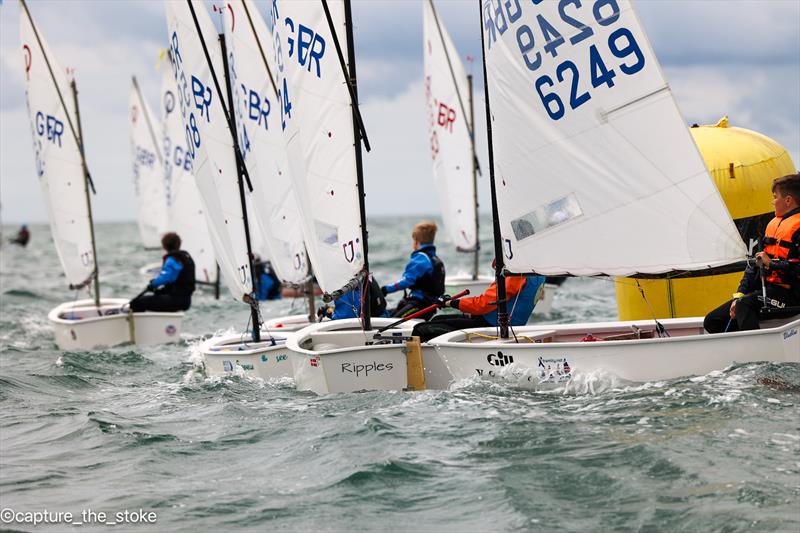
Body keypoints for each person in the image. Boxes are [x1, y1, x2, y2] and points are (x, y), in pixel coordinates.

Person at [704, 173, 800, 333]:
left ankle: (757, 356)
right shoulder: (772, 226)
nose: (773, 201)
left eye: (775, 197)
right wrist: (740, 293)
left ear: (788, 200)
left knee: (745, 304)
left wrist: (772, 263)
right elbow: (754, 266)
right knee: (713, 320)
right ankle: (738, 351)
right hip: (767, 291)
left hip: (792, 296)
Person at [411, 261, 546, 342]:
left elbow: (483, 304)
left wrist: (450, 303)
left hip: (494, 329)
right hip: (501, 325)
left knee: (421, 330)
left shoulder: (515, 275)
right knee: (437, 320)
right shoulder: (539, 274)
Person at [382, 220, 445, 319]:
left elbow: (407, 281)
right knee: (389, 314)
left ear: (416, 241)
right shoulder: (434, 258)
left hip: (419, 304)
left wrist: (385, 289)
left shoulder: (421, 258)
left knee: (391, 323)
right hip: (429, 306)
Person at [130, 232, 195, 312]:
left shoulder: (172, 260)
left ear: (164, 246)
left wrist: (152, 285)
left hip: (175, 300)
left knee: (136, 303)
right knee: (157, 295)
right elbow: (173, 280)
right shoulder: (186, 258)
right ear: (179, 244)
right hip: (186, 301)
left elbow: (165, 278)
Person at [317, 276, 388, 320]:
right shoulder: (363, 272)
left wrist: (327, 311)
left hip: (373, 327)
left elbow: (345, 317)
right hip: (383, 317)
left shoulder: (345, 282)